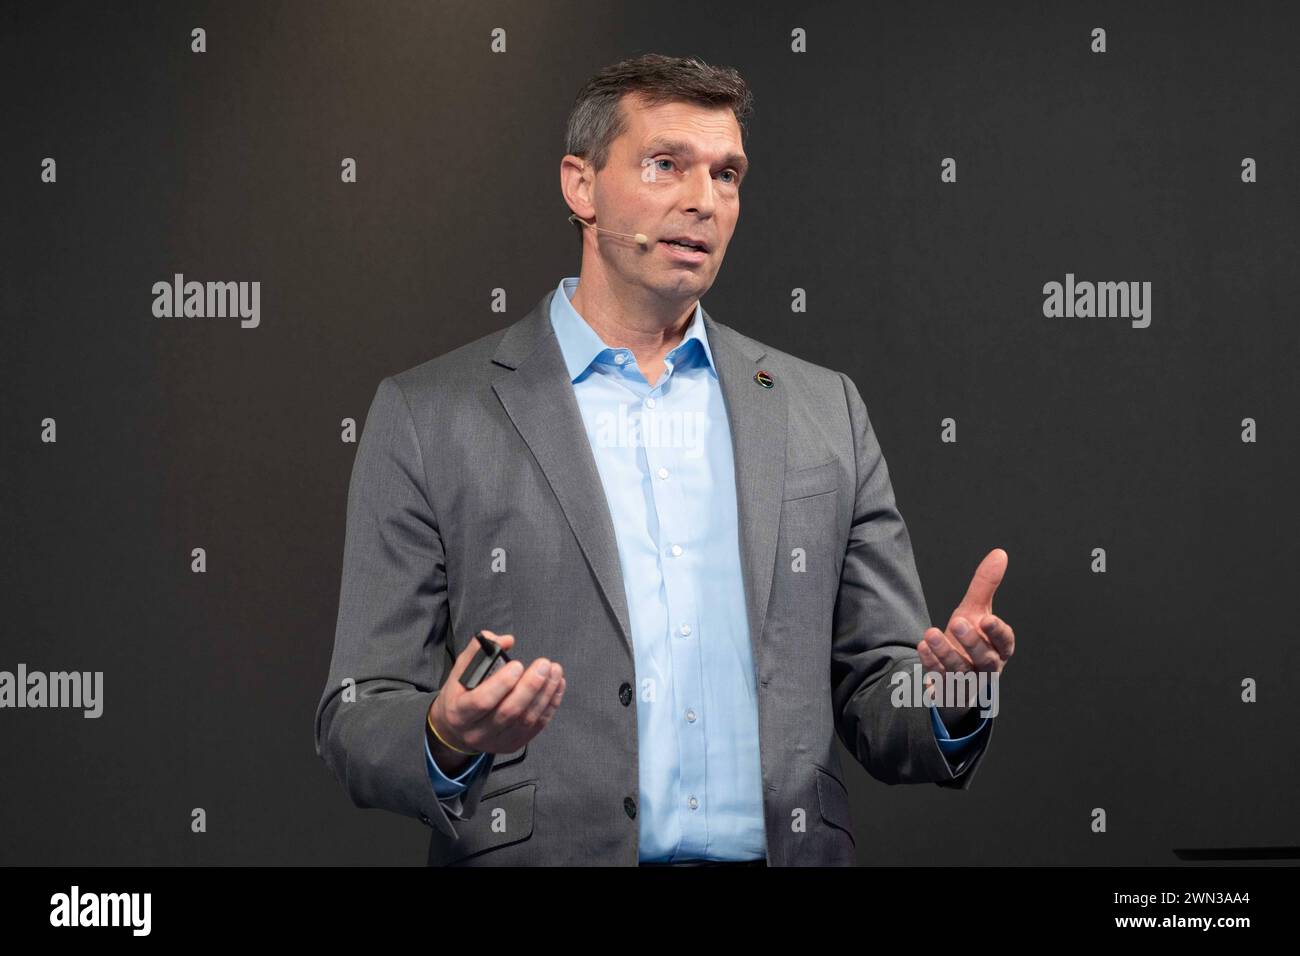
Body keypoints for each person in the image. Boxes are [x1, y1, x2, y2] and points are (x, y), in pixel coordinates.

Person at [314, 53, 1015, 866]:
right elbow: (358, 711)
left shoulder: (825, 408)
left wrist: (955, 690)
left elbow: (877, 690)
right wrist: (444, 734)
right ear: (581, 187)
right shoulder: (431, 414)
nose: (703, 200)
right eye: (665, 165)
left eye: (726, 174)